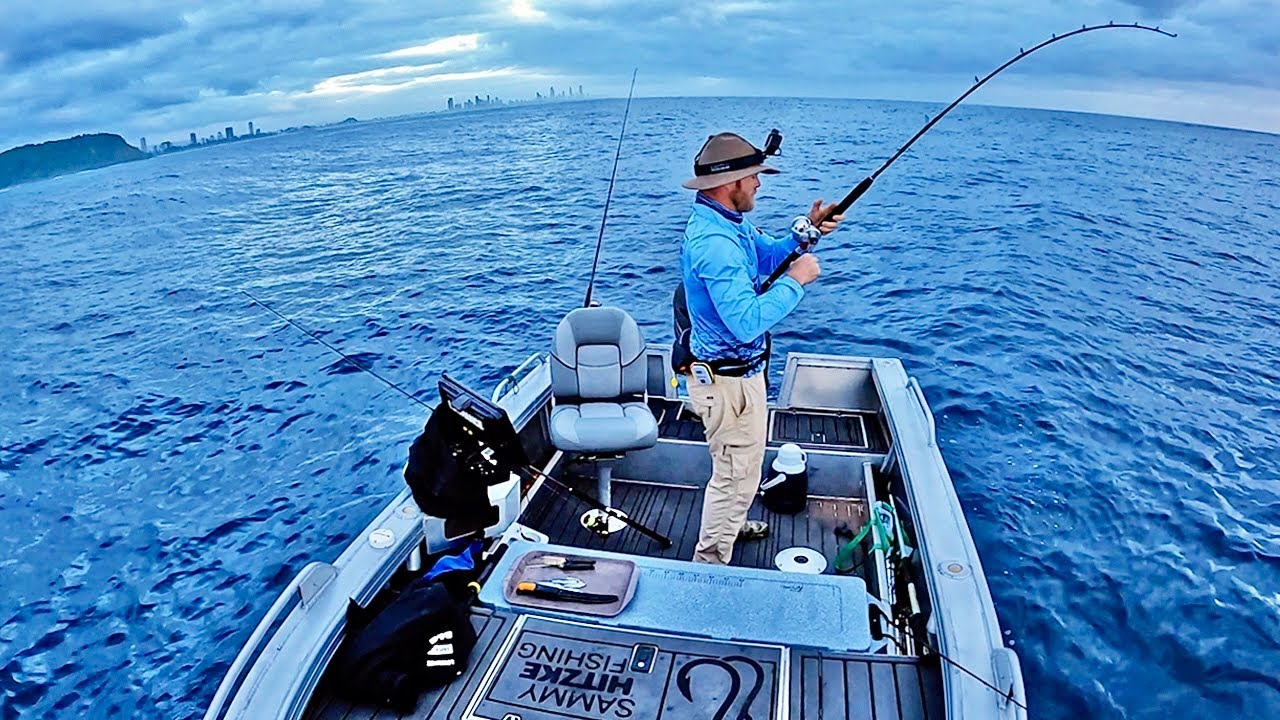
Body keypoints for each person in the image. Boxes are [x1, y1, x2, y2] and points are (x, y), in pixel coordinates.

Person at [679, 131, 841, 565]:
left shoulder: (728, 223)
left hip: (741, 377)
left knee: (743, 472)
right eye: (752, 176)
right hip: (728, 385)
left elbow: (766, 254)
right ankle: (710, 564)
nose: (758, 185)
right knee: (732, 478)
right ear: (729, 183)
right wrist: (797, 280)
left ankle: (730, 526)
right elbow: (746, 320)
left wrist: (803, 237)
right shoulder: (714, 245)